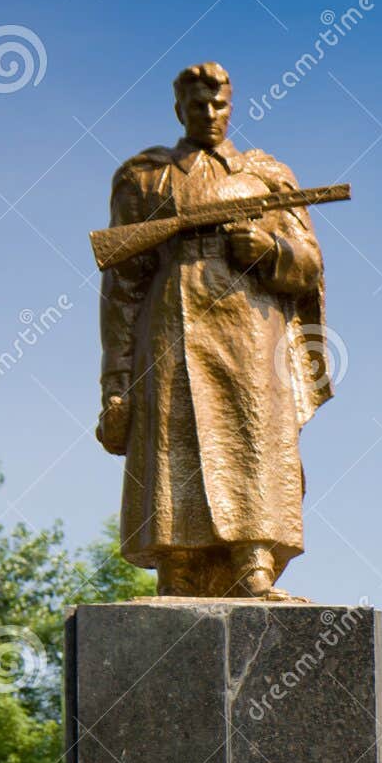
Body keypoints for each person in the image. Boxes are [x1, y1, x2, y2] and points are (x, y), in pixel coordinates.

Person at [97, 62, 331, 597]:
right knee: (171, 433)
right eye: (197, 105)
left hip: (252, 324)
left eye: (218, 104)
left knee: (254, 435)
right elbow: (122, 284)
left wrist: (269, 249)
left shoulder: (267, 174)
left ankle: (254, 565)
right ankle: (177, 568)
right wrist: (115, 378)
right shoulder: (144, 175)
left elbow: (311, 264)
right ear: (178, 109)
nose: (209, 114)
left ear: (233, 105)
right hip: (171, 318)